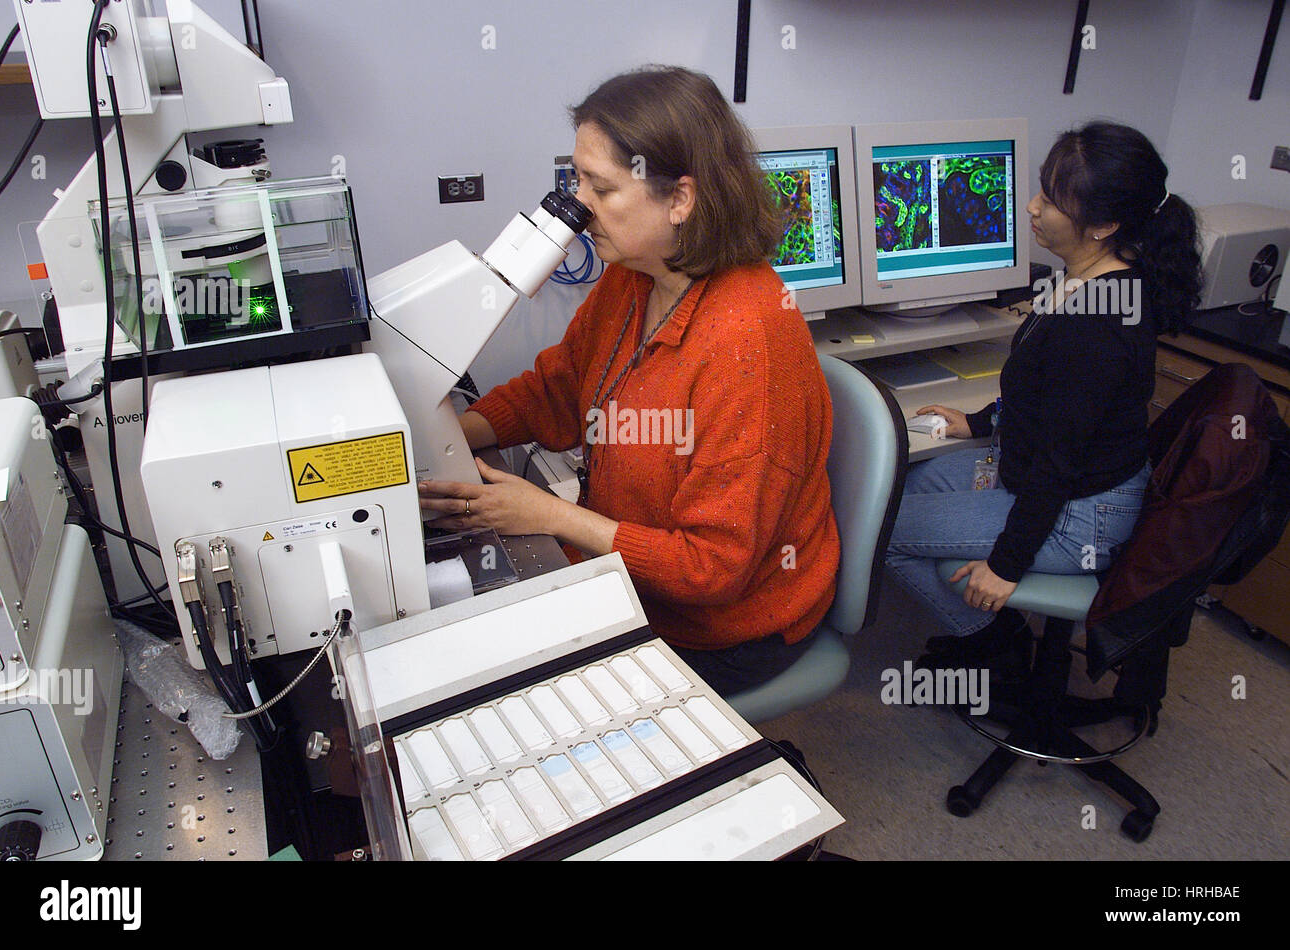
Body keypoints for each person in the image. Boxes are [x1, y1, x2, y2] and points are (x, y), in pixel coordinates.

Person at [418, 66, 840, 695]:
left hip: (725, 625)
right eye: (577, 179)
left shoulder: (749, 344)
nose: (578, 206)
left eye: (602, 188)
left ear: (680, 199)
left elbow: (714, 568)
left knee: (521, 697)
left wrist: (551, 515)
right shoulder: (635, 275)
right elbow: (558, 388)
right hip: (630, 578)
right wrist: (440, 437)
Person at [884, 121, 1203, 672]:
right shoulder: (1094, 276)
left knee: (878, 532)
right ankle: (992, 625)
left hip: (1079, 512)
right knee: (904, 485)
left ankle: (992, 641)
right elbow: (1043, 397)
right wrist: (979, 423)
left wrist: (1005, 566)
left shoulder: (1095, 325)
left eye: (1051, 200)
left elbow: (1061, 462)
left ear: (1102, 224)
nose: (1031, 207)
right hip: (1043, 471)